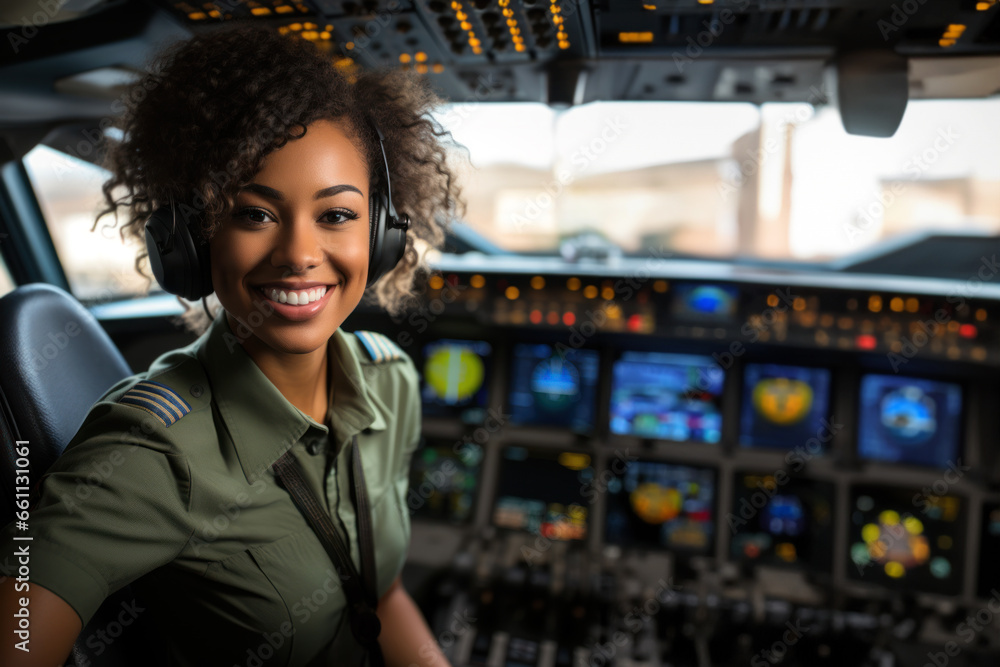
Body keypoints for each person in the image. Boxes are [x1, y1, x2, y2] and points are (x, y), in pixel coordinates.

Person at [0, 23, 463, 667]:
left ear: (381, 237)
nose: (301, 255)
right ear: (190, 241)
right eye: (255, 214)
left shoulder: (393, 384)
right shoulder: (149, 451)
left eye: (336, 215)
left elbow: (380, 595)